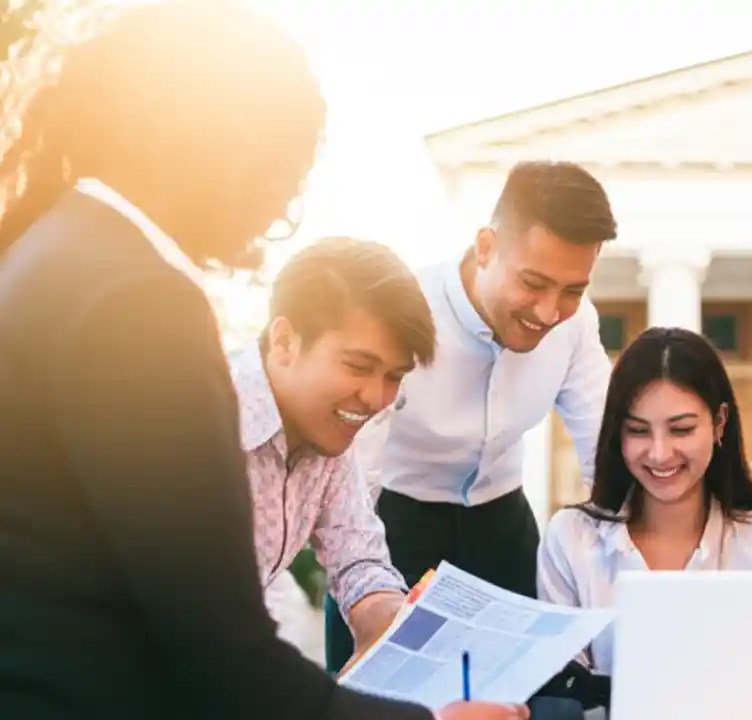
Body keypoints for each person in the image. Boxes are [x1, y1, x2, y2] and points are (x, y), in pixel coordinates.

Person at [0, 3, 524, 718]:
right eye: (289, 167)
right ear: (222, 145)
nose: (283, 207)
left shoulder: (54, 252)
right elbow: (223, 659)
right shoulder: (137, 302)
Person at [326, 160, 616, 670]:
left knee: (521, 692)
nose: (549, 312)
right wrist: (365, 588)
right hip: (391, 523)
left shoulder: (577, 326)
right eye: (534, 282)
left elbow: (607, 452)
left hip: (503, 525)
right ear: (486, 248)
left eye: (573, 290)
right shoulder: (405, 310)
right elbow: (353, 474)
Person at [537, 327, 752, 692]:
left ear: (719, 423)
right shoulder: (571, 537)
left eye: (681, 430)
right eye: (638, 431)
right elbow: (564, 694)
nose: (660, 453)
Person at [232, 236, 436, 662]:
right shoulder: (204, 421)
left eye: (394, 376)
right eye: (358, 367)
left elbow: (358, 558)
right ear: (285, 341)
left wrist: (389, 614)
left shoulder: (328, 431)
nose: (376, 397)